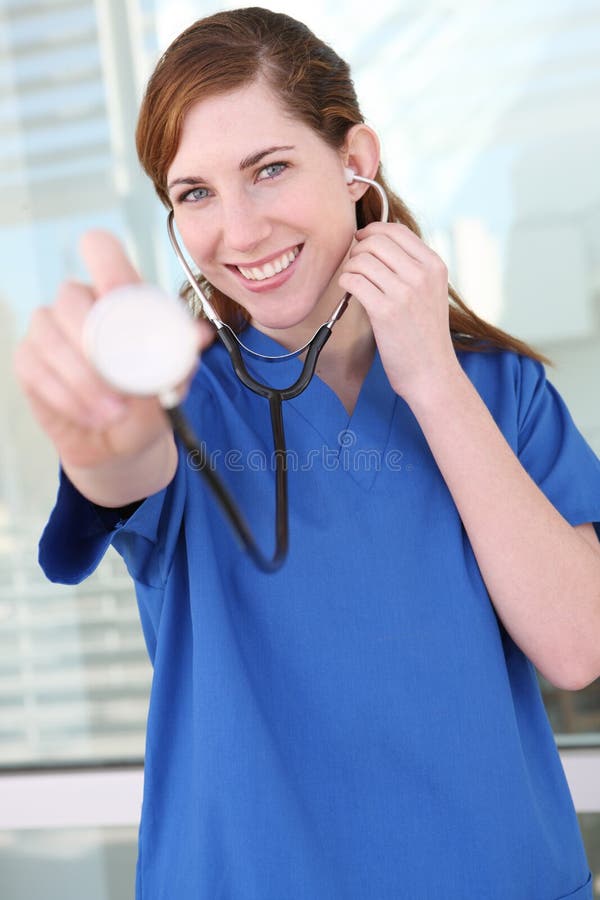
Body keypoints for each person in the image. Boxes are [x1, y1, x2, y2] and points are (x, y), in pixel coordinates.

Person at [14, 7, 600, 899]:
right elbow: (126, 463)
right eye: (195, 193)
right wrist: (105, 440)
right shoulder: (180, 398)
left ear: (355, 161)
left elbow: (578, 647)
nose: (238, 232)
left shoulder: (499, 392)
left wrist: (431, 380)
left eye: (270, 169)